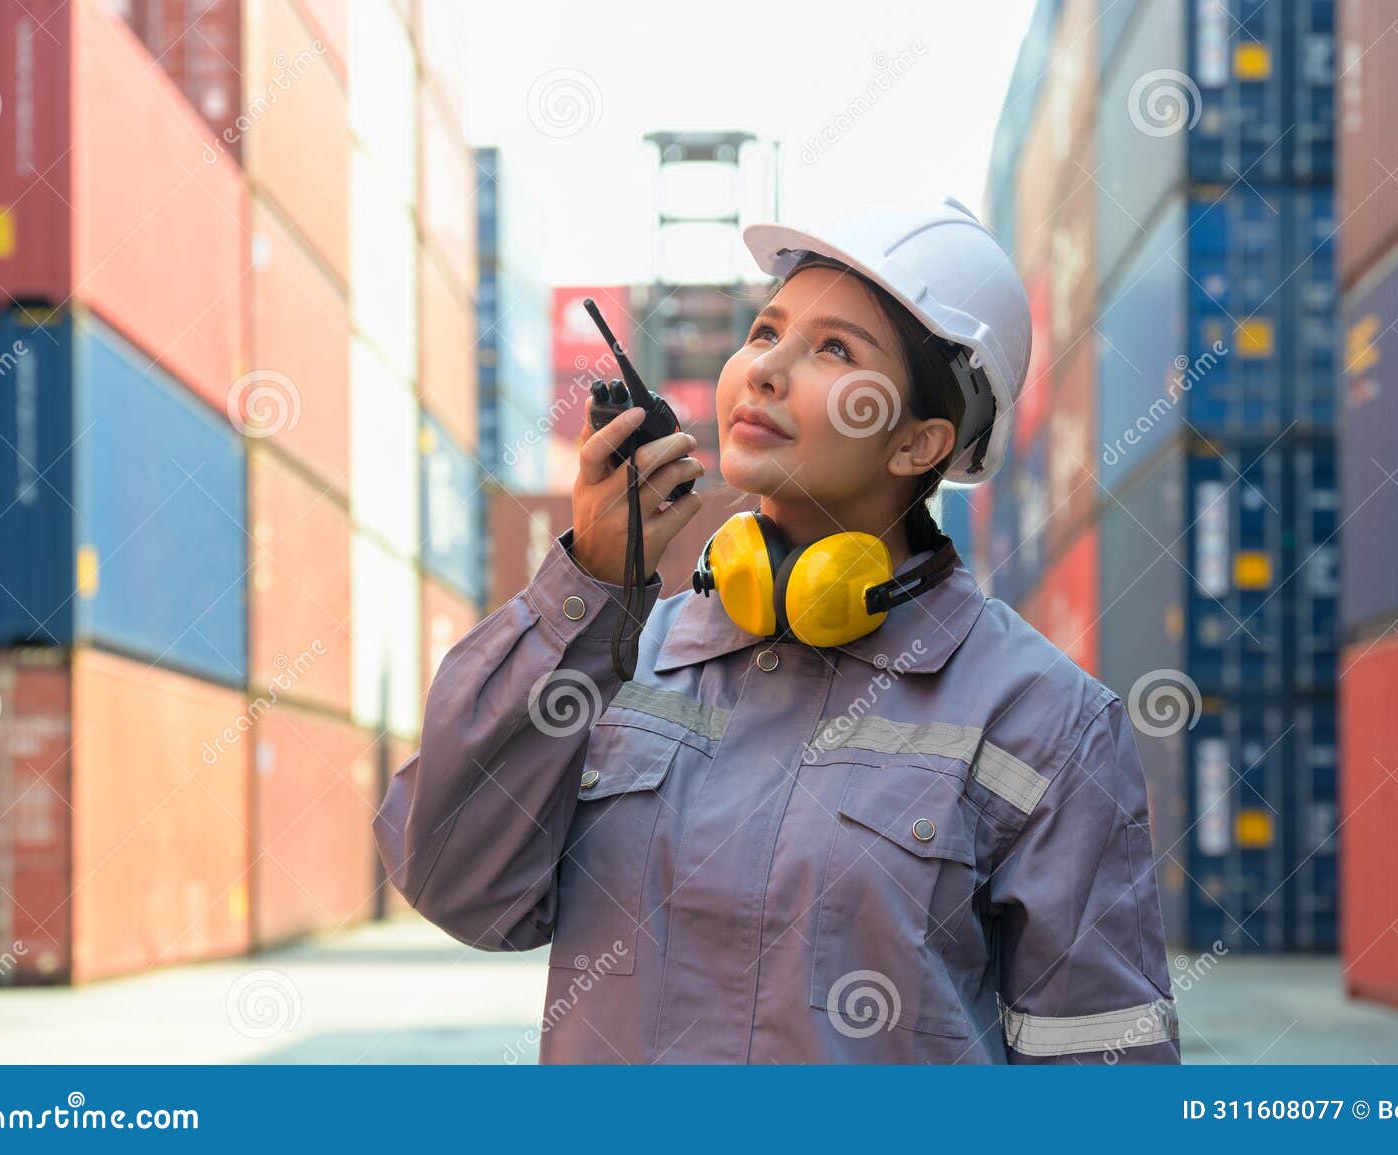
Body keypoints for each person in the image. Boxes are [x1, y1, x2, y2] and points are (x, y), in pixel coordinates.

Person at [375, 196, 1181, 1064]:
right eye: (765, 333)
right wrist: (585, 590)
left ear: (919, 443)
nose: (764, 370)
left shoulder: (1043, 720)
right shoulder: (622, 652)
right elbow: (454, 880)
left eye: (834, 349)